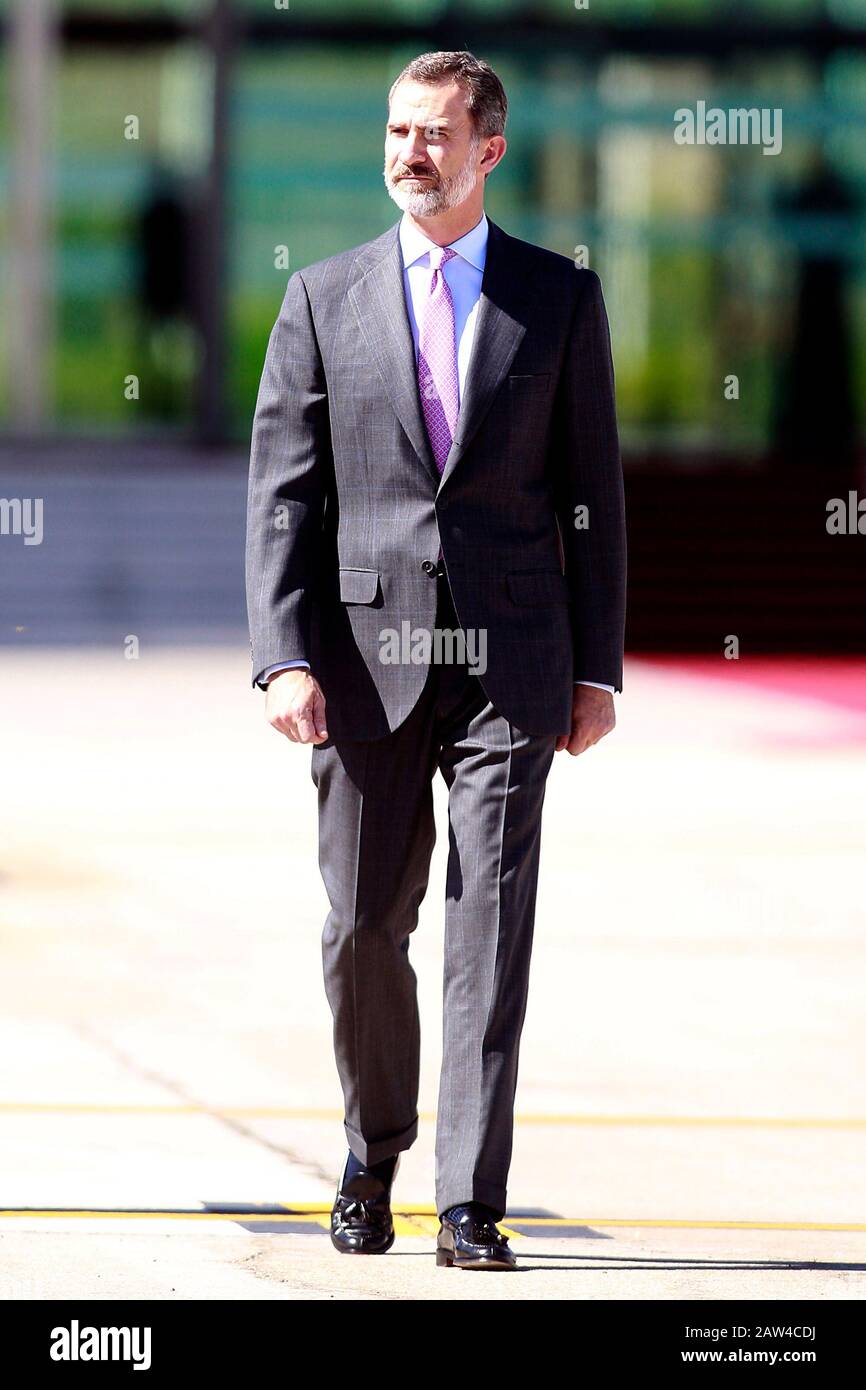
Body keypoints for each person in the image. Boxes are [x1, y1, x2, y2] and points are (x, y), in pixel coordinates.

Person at [245, 50, 626, 1271]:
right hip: (361, 660)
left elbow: (593, 496)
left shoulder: (555, 298)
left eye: (435, 133)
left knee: (490, 926)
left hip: (512, 660)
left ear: (487, 152)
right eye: (398, 130)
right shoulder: (321, 297)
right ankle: (372, 1151)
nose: (411, 150)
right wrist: (280, 657)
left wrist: (597, 667)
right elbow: (281, 496)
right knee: (363, 923)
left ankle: (470, 1201)